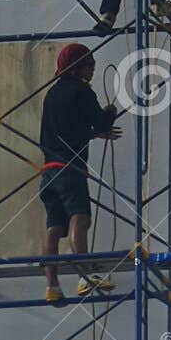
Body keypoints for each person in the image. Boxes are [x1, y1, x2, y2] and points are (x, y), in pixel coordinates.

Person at [39, 42, 121, 305]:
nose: (93, 70)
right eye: (89, 65)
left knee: (54, 227)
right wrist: (110, 112)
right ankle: (84, 276)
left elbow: (67, 130)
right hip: (71, 170)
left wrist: (93, 134)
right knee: (80, 218)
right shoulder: (81, 91)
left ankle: (52, 286)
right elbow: (100, 120)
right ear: (78, 67)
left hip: (49, 170)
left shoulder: (51, 94)